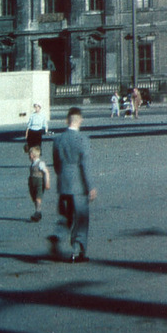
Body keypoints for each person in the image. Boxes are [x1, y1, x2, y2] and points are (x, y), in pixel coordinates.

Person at [49, 107, 96, 263]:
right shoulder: (83, 140)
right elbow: (85, 165)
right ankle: (77, 251)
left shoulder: (58, 139)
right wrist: (90, 186)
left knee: (66, 216)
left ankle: (57, 236)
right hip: (79, 186)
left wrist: (62, 176)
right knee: (81, 219)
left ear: (67, 120)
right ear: (80, 120)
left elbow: (56, 163)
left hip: (63, 183)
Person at [27, 145, 50, 222]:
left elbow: (46, 172)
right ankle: (37, 211)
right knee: (34, 198)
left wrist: (47, 182)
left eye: (29, 154)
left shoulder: (40, 163)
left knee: (38, 197)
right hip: (32, 182)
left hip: (39, 182)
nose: (28, 156)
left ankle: (38, 212)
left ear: (32, 155)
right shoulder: (32, 164)